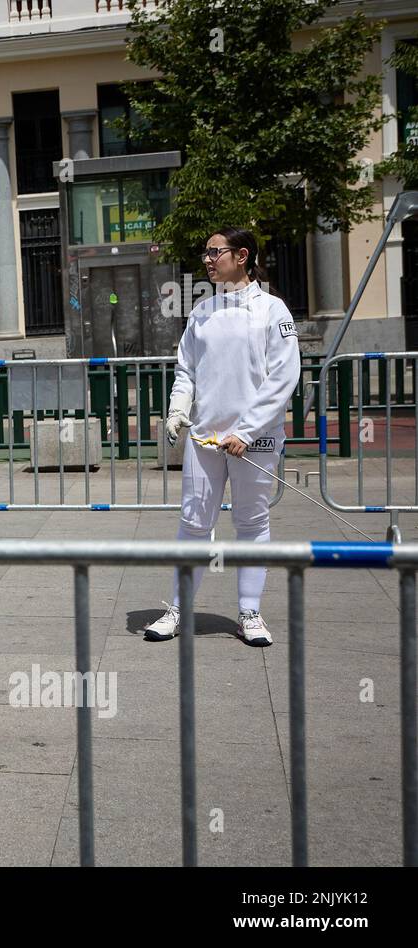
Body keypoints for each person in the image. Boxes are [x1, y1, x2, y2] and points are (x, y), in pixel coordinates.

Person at [146, 227, 300, 648]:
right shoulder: (202, 312)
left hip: (257, 441)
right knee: (194, 523)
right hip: (205, 439)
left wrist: (248, 431)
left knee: (251, 522)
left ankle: (250, 612)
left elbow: (283, 377)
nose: (208, 259)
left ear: (242, 255)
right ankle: (178, 609)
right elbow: (187, 371)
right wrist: (179, 408)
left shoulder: (272, 310)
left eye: (216, 252)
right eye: (206, 252)